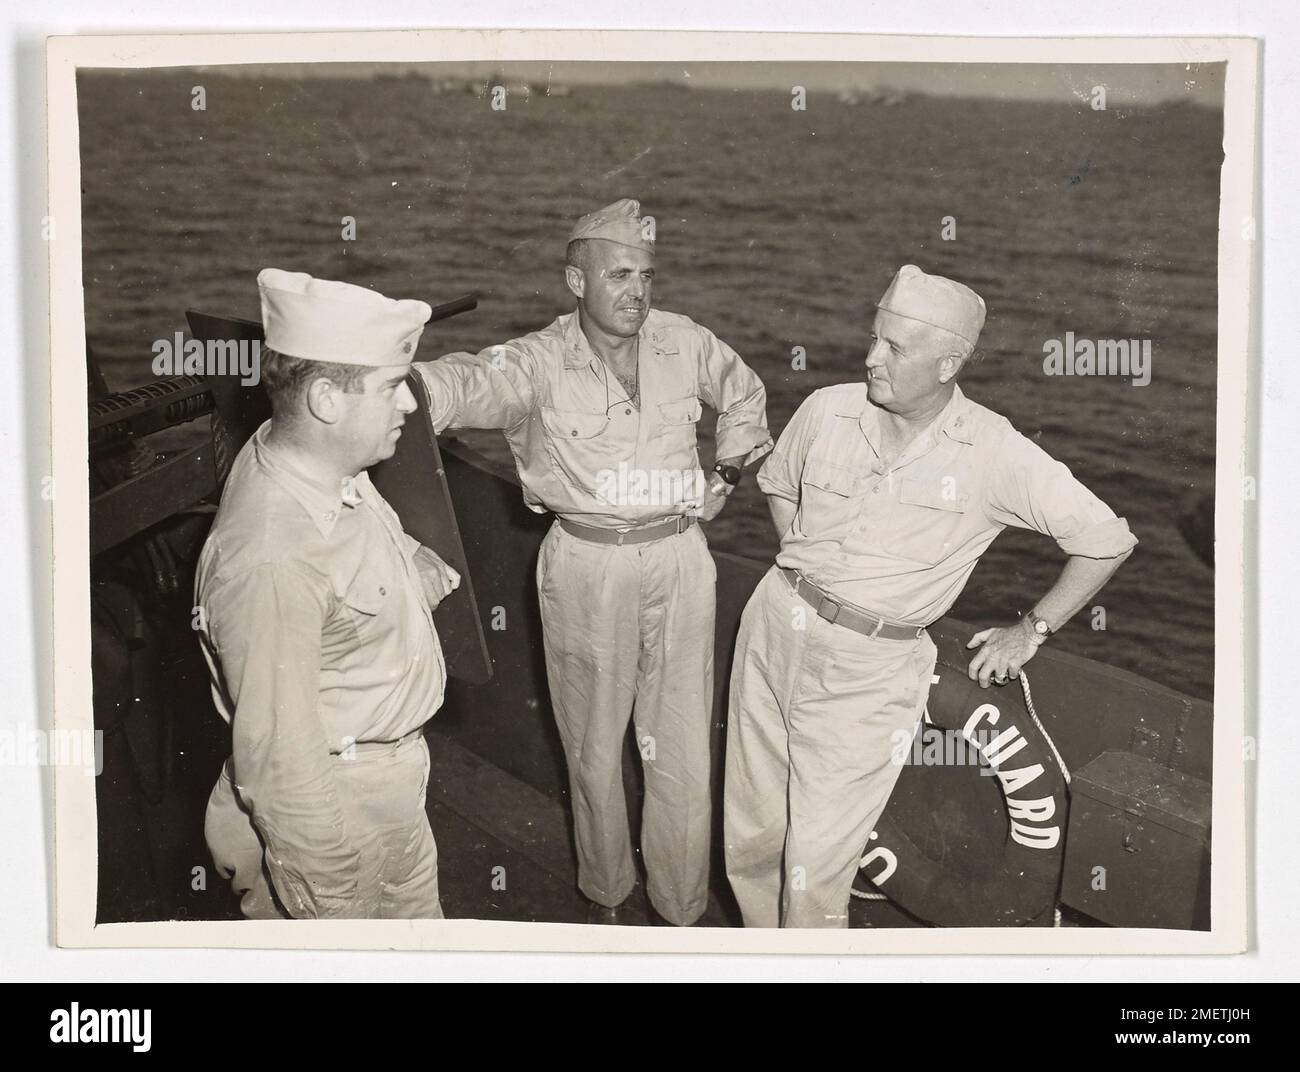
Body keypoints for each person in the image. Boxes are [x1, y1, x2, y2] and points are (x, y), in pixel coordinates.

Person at [724, 264, 1137, 928]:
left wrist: (1031, 628)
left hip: (867, 672)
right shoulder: (828, 407)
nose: (870, 358)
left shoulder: (993, 451)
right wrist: (813, 575)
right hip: (773, 624)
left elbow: (1106, 540)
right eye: (875, 338)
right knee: (749, 840)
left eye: (895, 348)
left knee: (812, 871)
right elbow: (778, 483)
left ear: (948, 364)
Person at [415, 199, 773, 925]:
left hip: (679, 560)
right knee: (592, 746)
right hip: (587, 566)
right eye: (618, 275)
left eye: (646, 274)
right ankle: (606, 896)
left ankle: (679, 908)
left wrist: (728, 474)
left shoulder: (682, 341)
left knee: (678, 747)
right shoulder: (539, 361)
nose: (637, 291)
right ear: (576, 281)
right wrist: (403, 382)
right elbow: (466, 382)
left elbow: (745, 393)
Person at [197, 268, 462, 919]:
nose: (408, 405)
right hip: (335, 818)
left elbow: (341, 589)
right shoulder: (271, 552)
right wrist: (337, 886)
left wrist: (413, 572)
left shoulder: (311, 459)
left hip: (388, 788)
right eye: (393, 387)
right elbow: (280, 767)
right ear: (325, 400)